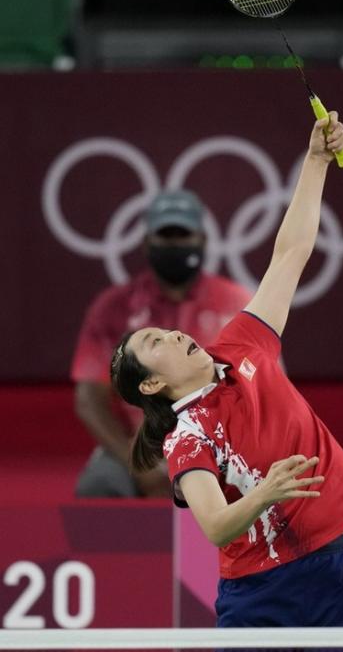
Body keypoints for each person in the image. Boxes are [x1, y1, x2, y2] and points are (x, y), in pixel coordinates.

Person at [110, 113, 343, 652]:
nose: (174, 332)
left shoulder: (243, 346)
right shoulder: (187, 438)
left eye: (166, 328)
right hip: (259, 598)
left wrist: (313, 162)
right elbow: (214, 524)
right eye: (154, 341)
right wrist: (268, 492)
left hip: (336, 573)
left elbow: (290, 253)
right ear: (151, 384)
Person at [71, 188, 251, 497]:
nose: (175, 244)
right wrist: (135, 460)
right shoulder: (113, 308)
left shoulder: (234, 302)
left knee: (261, 485)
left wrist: (205, 455)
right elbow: (89, 398)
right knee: (99, 486)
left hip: (221, 446)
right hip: (140, 446)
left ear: (203, 239)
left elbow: (260, 388)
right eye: (166, 235)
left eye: (183, 234)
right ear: (147, 243)